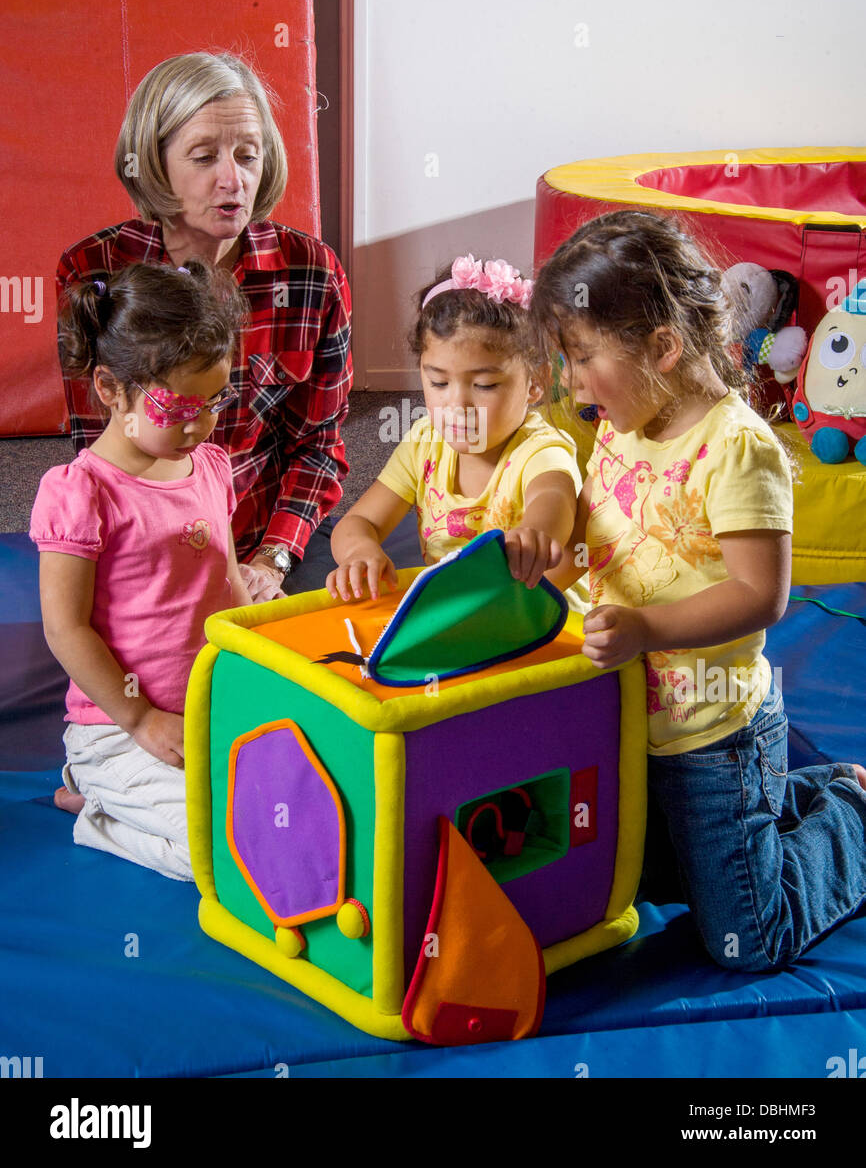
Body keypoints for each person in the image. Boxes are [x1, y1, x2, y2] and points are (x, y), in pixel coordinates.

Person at [531, 209, 866, 971]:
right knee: (630, 885)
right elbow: (597, 530)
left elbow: (761, 595)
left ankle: (849, 808)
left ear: (663, 347)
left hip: (716, 737)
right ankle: (791, 801)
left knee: (748, 940)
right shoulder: (619, 419)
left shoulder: (737, 447)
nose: (573, 384)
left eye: (583, 359)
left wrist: (646, 629)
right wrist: (546, 553)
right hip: (629, 725)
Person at [56, 51, 352, 603]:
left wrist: (272, 558)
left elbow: (319, 445)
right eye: (203, 156)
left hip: (268, 540)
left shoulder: (314, 273)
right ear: (151, 163)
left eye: (247, 155)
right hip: (147, 540)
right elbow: (96, 445)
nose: (231, 180)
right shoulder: (93, 270)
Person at [30, 261, 252, 880]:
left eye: (213, 400)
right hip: (120, 729)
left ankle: (110, 793)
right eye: (178, 405)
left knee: (287, 810)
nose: (199, 422)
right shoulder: (80, 491)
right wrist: (139, 719)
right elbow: (65, 628)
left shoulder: (209, 466)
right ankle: (96, 807)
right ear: (110, 388)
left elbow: (227, 582)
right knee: (216, 851)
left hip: (208, 712)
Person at [327, 255, 582, 604]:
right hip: (460, 616)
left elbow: (554, 500)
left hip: (538, 622)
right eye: (438, 382)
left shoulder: (541, 450)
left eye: (485, 385)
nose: (456, 406)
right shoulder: (424, 442)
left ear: (536, 384)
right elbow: (358, 522)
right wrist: (360, 551)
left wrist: (535, 534)